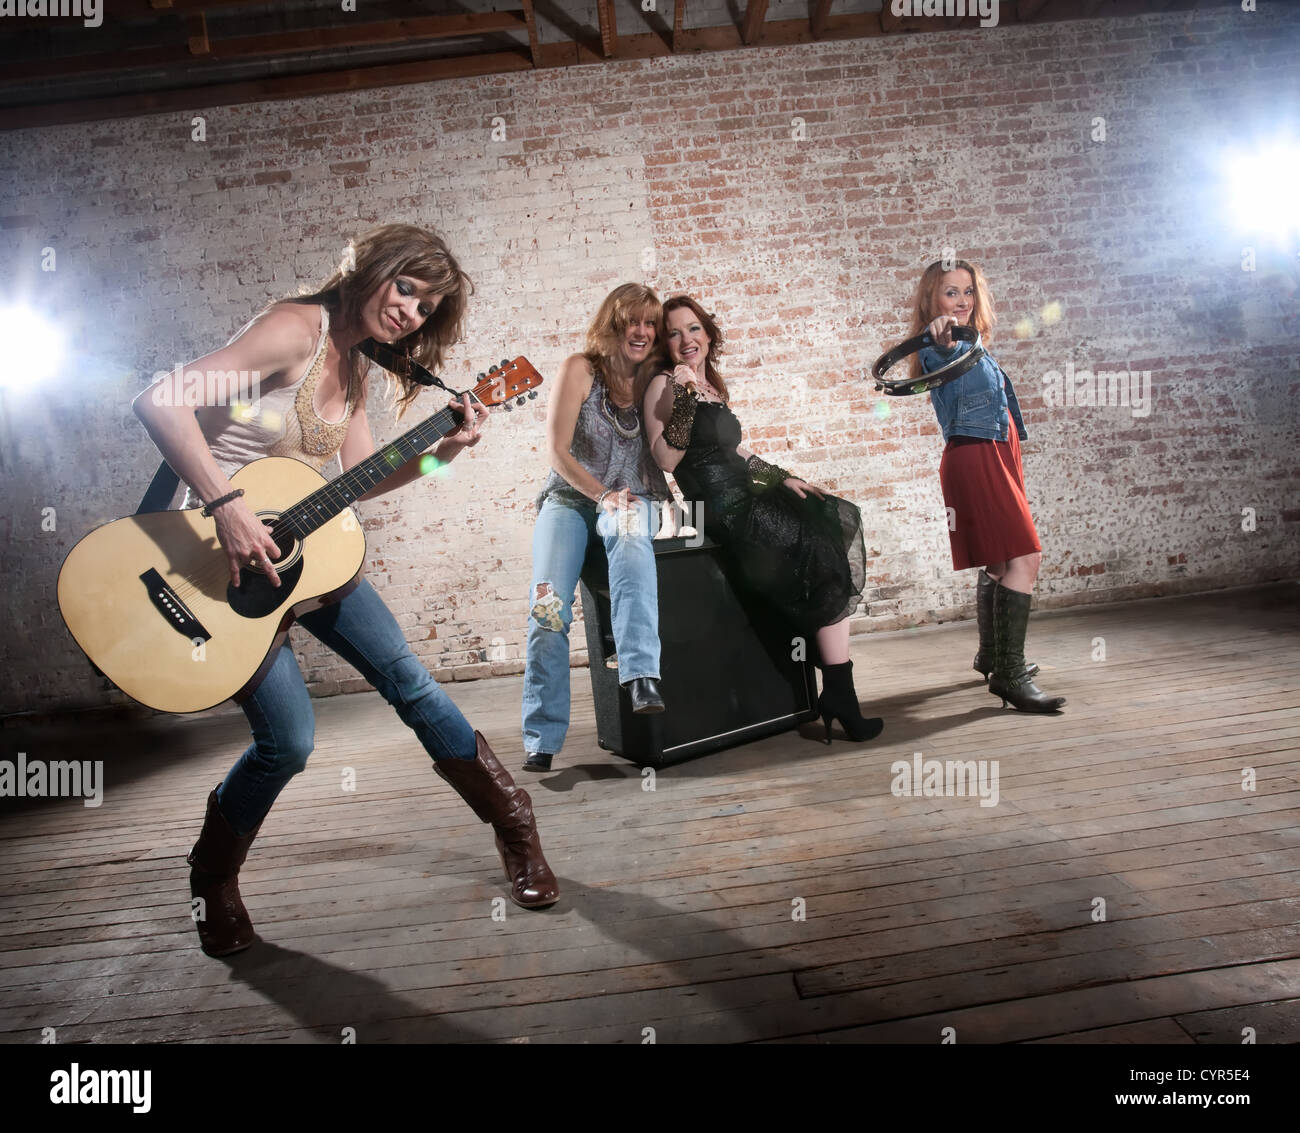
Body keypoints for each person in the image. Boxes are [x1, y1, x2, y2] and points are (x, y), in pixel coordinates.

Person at [132, 224, 558, 957]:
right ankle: (213, 878)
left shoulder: (356, 366)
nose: (412, 312)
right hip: (215, 562)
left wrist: (444, 453)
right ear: (375, 270)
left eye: (427, 307)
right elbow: (161, 401)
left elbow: (367, 479)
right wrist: (226, 506)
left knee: (413, 684)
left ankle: (515, 825)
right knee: (289, 741)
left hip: (305, 559)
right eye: (407, 288)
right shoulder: (293, 329)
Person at [642, 295, 882, 744]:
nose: (686, 339)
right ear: (665, 344)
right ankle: (839, 694)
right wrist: (686, 394)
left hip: (745, 491)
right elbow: (668, 460)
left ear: (708, 334)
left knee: (824, 528)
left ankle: (837, 692)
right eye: (673, 333)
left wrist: (783, 477)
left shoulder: (712, 383)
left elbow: (736, 451)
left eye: (693, 328)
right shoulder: (664, 385)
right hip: (720, 505)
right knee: (815, 551)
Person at [521, 283, 673, 773]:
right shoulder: (579, 369)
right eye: (633, 320)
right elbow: (556, 451)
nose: (642, 331)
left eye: (650, 323)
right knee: (546, 607)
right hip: (569, 501)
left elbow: (676, 445)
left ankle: (641, 676)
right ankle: (542, 737)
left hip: (631, 501)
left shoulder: (657, 378)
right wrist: (600, 494)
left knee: (628, 540)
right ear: (613, 323)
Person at [907, 258, 1064, 712]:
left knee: (1000, 561)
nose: (961, 301)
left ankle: (994, 657)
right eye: (950, 293)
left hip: (996, 453)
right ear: (932, 300)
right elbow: (941, 356)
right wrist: (940, 335)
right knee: (1026, 556)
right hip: (977, 456)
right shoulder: (944, 346)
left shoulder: (974, 343)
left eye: (967, 292)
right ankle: (1009, 677)